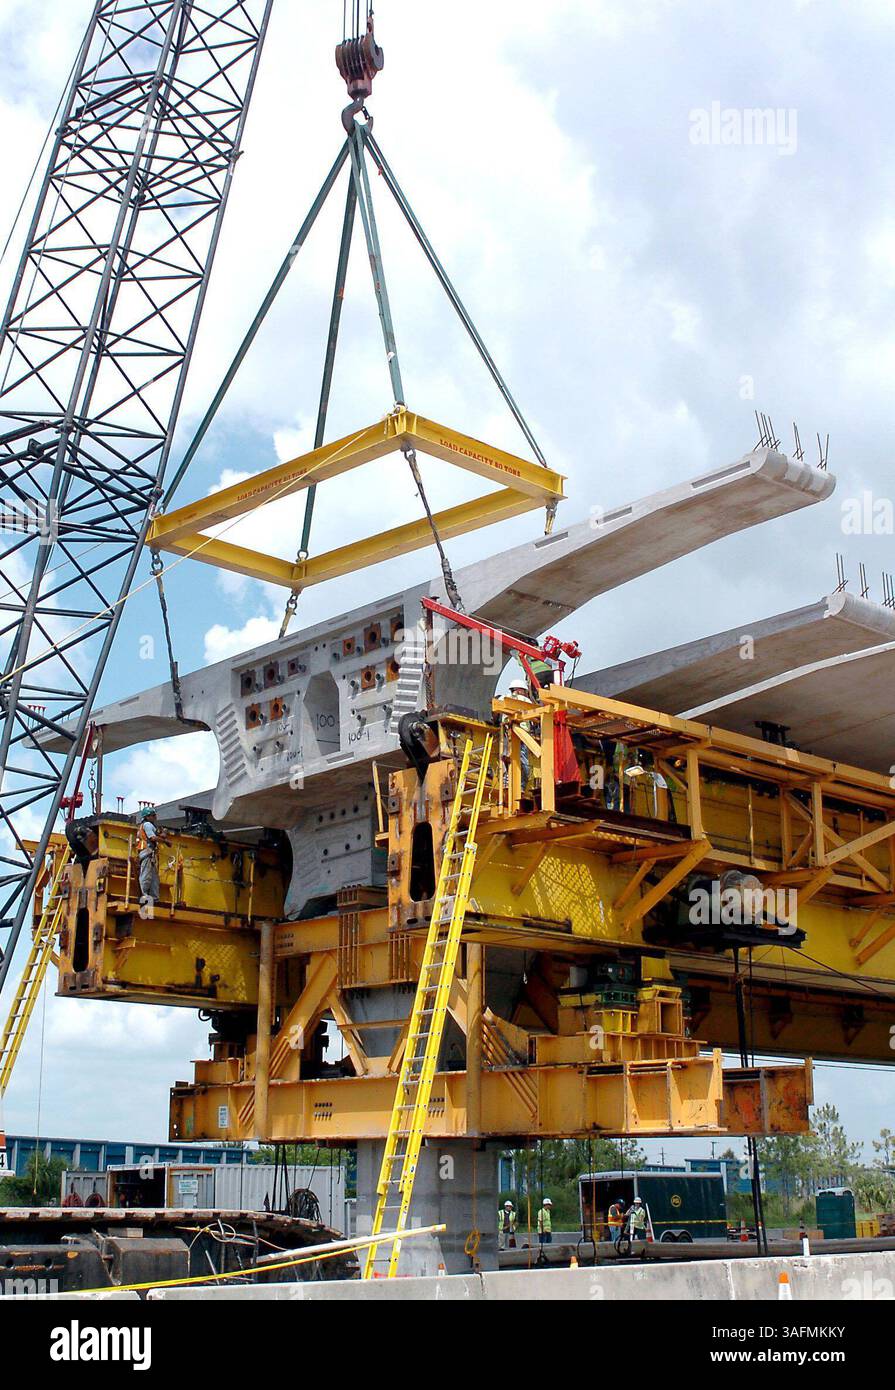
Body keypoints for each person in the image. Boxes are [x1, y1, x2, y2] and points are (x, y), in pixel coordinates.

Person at [137, 807, 170, 907]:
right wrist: (165, 841)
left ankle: (154, 898)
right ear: (147, 816)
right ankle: (144, 896)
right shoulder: (147, 825)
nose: (155, 817)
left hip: (150, 853)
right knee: (146, 875)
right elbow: (153, 838)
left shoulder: (149, 826)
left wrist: (163, 834)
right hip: (147, 852)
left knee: (154, 878)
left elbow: (158, 835)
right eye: (153, 815)